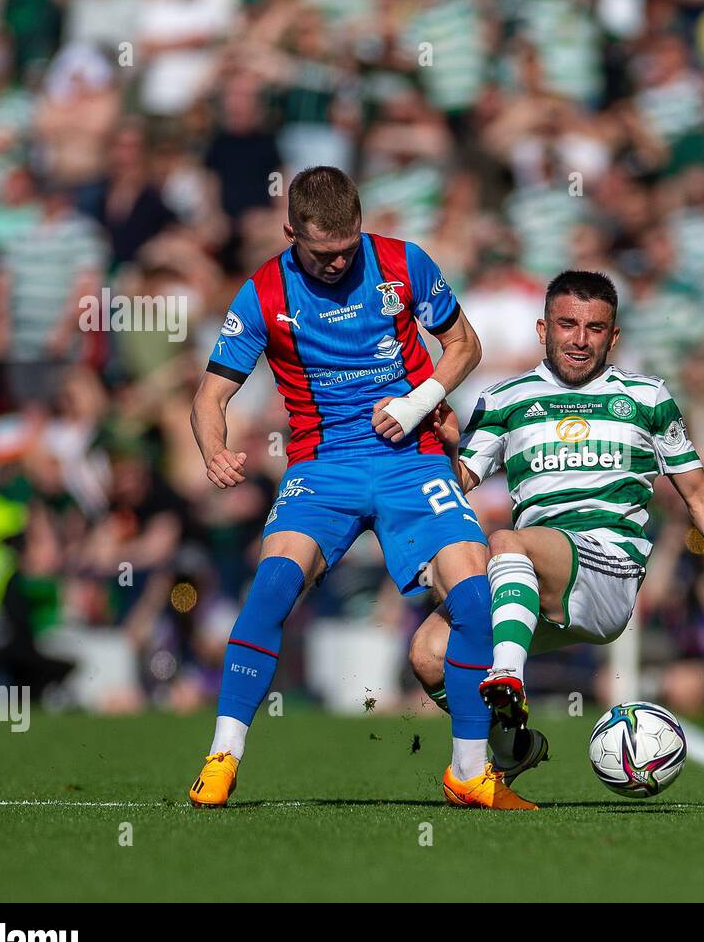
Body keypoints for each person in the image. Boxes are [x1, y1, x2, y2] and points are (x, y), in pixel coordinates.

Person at [186, 166, 508, 809]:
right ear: (290, 232)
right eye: (322, 252)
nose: (337, 263)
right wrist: (214, 449)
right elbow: (210, 395)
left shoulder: (402, 263)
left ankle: (469, 773)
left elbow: (464, 346)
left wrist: (420, 405)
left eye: (346, 249)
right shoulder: (262, 293)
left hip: (412, 460)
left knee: (475, 598)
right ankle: (222, 758)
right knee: (272, 585)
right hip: (322, 468)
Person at [407, 270, 704, 801]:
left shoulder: (646, 396)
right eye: (567, 324)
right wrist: (446, 448)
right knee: (429, 652)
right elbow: (459, 484)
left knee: (508, 540)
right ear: (543, 328)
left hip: (608, 572)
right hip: (535, 585)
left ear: (615, 336)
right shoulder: (503, 399)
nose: (579, 338)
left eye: (594, 327)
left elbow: (698, 493)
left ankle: (508, 679)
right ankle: (513, 742)